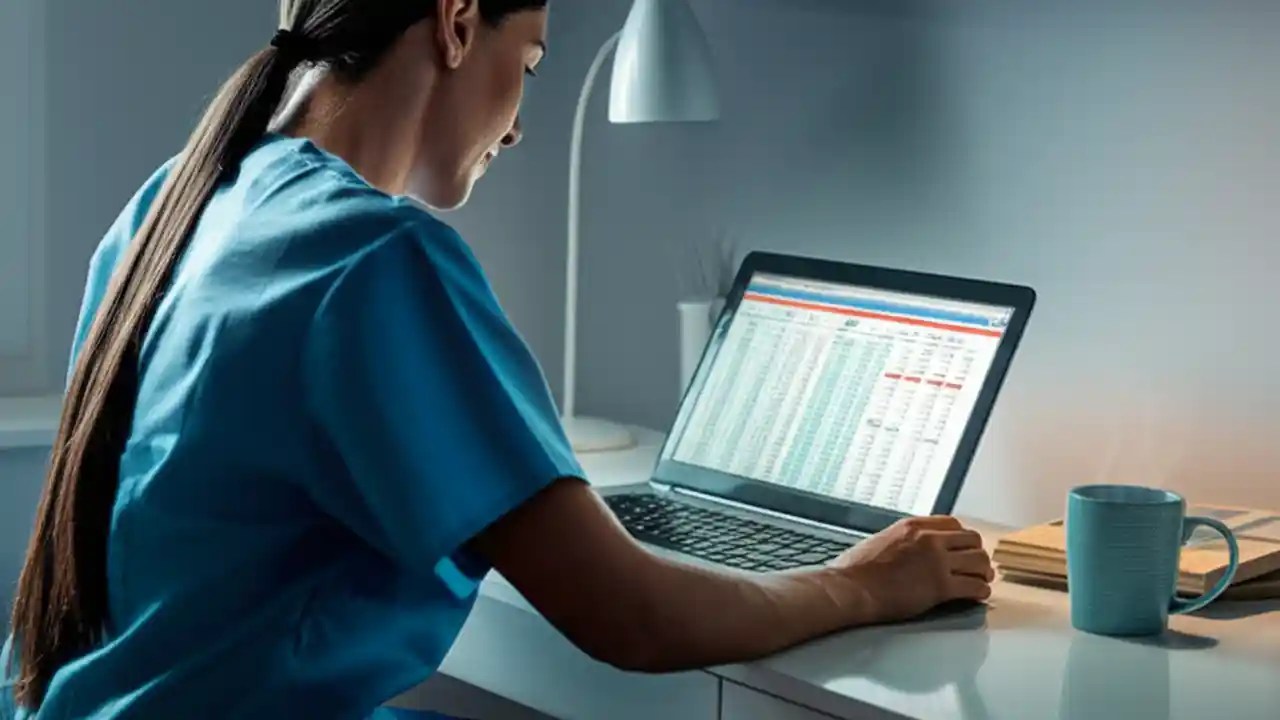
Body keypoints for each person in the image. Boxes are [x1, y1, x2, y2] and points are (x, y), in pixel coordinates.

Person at [1, 1, 994, 717]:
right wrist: (867, 585)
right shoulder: (376, 255)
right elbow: (634, 619)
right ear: (456, 21)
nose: (518, 122)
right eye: (528, 64)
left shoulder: (177, 199)